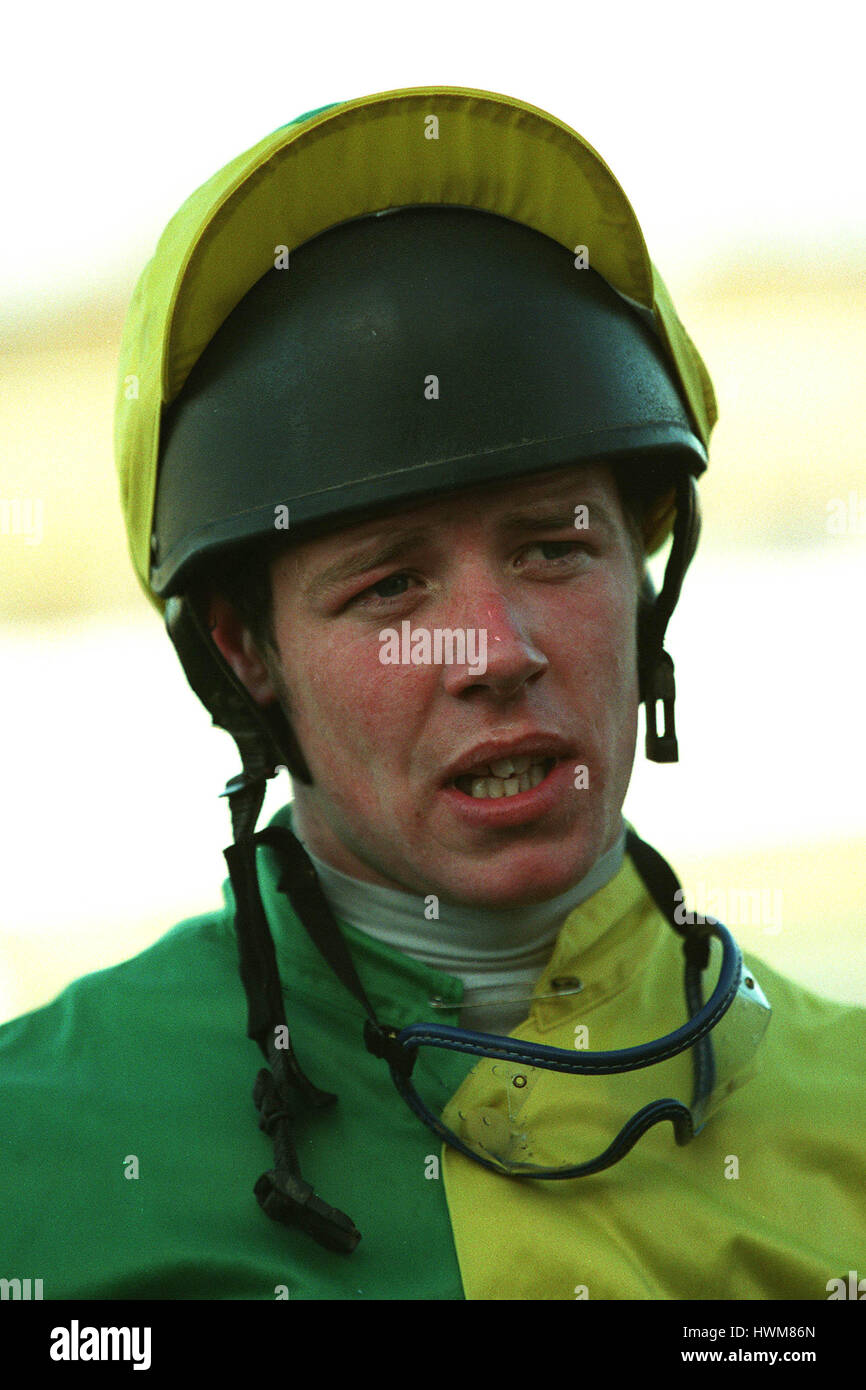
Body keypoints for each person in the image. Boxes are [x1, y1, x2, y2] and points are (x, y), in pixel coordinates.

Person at [1, 85, 863, 1303]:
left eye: (553, 546)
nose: (493, 649)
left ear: (640, 577)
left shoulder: (852, 1117)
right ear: (246, 649)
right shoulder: (32, 1157)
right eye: (391, 584)